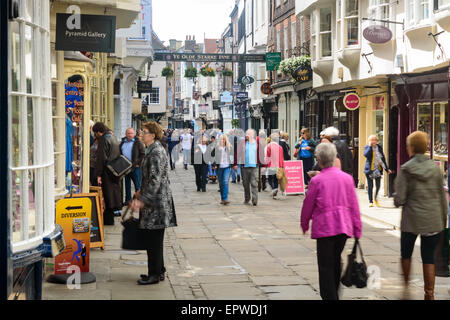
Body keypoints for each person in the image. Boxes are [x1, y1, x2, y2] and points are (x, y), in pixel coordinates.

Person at [301, 142, 362, 300]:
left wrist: (304, 222)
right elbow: (354, 205)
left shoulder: (317, 181)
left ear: (319, 161)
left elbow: (308, 204)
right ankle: (334, 292)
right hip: (343, 228)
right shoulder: (347, 179)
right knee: (335, 261)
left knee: (325, 266)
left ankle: (330, 296)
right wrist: (357, 227)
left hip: (324, 228)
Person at [394, 131, 447, 300]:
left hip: (411, 220)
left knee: (406, 253)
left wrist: (398, 199)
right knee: (428, 256)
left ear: (411, 147)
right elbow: (442, 197)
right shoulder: (436, 169)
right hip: (432, 219)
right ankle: (429, 294)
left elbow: (400, 199)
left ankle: (406, 287)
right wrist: (443, 220)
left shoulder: (406, 169)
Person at [129, 121, 177, 285]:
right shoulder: (153, 149)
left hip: (156, 204)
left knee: (153, 241)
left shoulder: (156, 152)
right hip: (156, 201)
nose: (141, 134)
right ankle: (159, 270)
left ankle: (154, 275)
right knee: (155, 239)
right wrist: (140, 191)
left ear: (153, 135)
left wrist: (142, 201)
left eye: (144, 131)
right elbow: (154, 178)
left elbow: (156, 180)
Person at [93, 122, 123, 225]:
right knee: (111, 195)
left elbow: (101, 158)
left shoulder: (103, 139)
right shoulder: (113, 137)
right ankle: (110, 219)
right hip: (113, 170)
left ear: (98, 132)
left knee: (106, 195)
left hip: (106, 171)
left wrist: (98, 174)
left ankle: (108, 220)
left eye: (95, 133)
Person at [363, 135, 392, 207]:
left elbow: (382, 159)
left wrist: (386, 169)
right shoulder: (367, 147)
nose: (373, 141)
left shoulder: (379, 147)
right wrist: (370, 147)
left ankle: (375, 198)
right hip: (370, 170)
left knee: (378, 185)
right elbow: (366, 155)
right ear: (369, 141)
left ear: (377, 141)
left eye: (375, 140)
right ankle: (370, 201)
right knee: (370, 186)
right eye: (372, 140)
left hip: (377, 170)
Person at [120, 128, 145, 206]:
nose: (130, 135)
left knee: (137, 185)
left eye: (131, 133)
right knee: (127, 185)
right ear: (126, 134)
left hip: (136, 167)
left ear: (134, 134)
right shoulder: (122, 142)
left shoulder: (138, 142)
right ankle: (128, 200)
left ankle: (139, 201)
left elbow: (143, 154)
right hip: (125, 167)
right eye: (128, 133)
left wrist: (138, 163)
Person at [212, 134, 236, 205]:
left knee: (225, 182)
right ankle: (222, 198)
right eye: (221, 139)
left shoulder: (229, 147)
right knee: (221, 183)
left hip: (227, 167)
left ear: (226, 140)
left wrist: (234, 165)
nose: (223, 141)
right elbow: (212, 155)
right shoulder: (217, 147)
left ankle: (225, 199)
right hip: (219, 167)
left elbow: (232, 157)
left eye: (224, 139)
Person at [241, 129, 259, 206]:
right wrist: (234, 164)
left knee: (254, 183)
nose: (246, 135)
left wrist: (264, 166)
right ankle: (247, 198)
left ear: (252, 135)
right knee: (245, 184)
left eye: (248, 134)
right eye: (246, 133)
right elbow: (237, 153)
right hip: (244, 166)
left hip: (254, 167)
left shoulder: (257, 144)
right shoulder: (243, 143)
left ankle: (254, 199)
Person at [266, 133, 285, 199]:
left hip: (271, 165)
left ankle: (274, 189)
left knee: (270, 178)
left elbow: (267, 156)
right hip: (278, 165)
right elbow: (282, 157)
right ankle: (275, 189)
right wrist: (282, 165)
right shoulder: (280, 147)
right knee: (276, 179)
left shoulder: (269, 146)